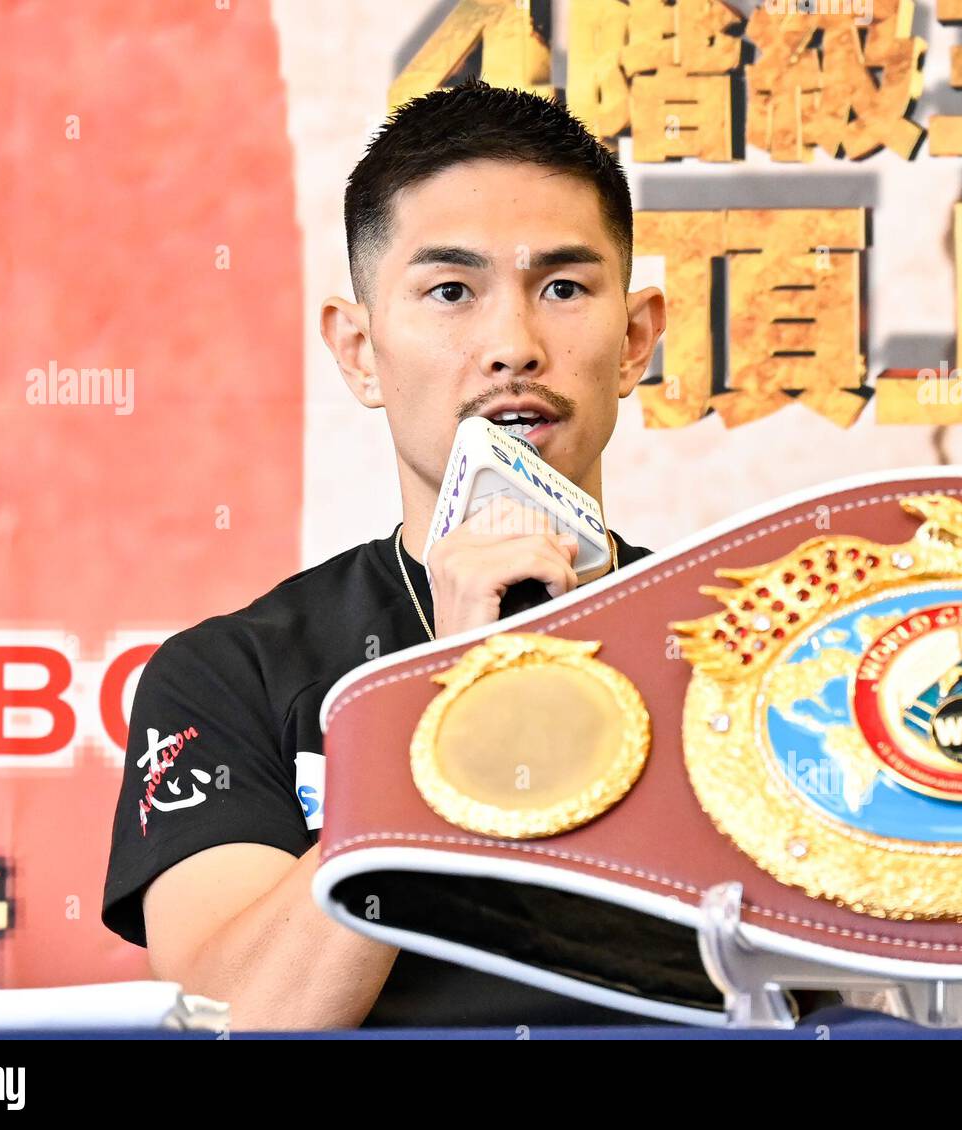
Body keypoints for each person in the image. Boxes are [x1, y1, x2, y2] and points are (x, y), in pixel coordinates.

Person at [100, 77, 667, 1029]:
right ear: (360, 350)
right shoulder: (229, 675)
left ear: (637, 338)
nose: (512, 346)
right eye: (450, 292)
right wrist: (442, 702)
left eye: (563, 288)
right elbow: (239, 1018)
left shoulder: (747, 640)